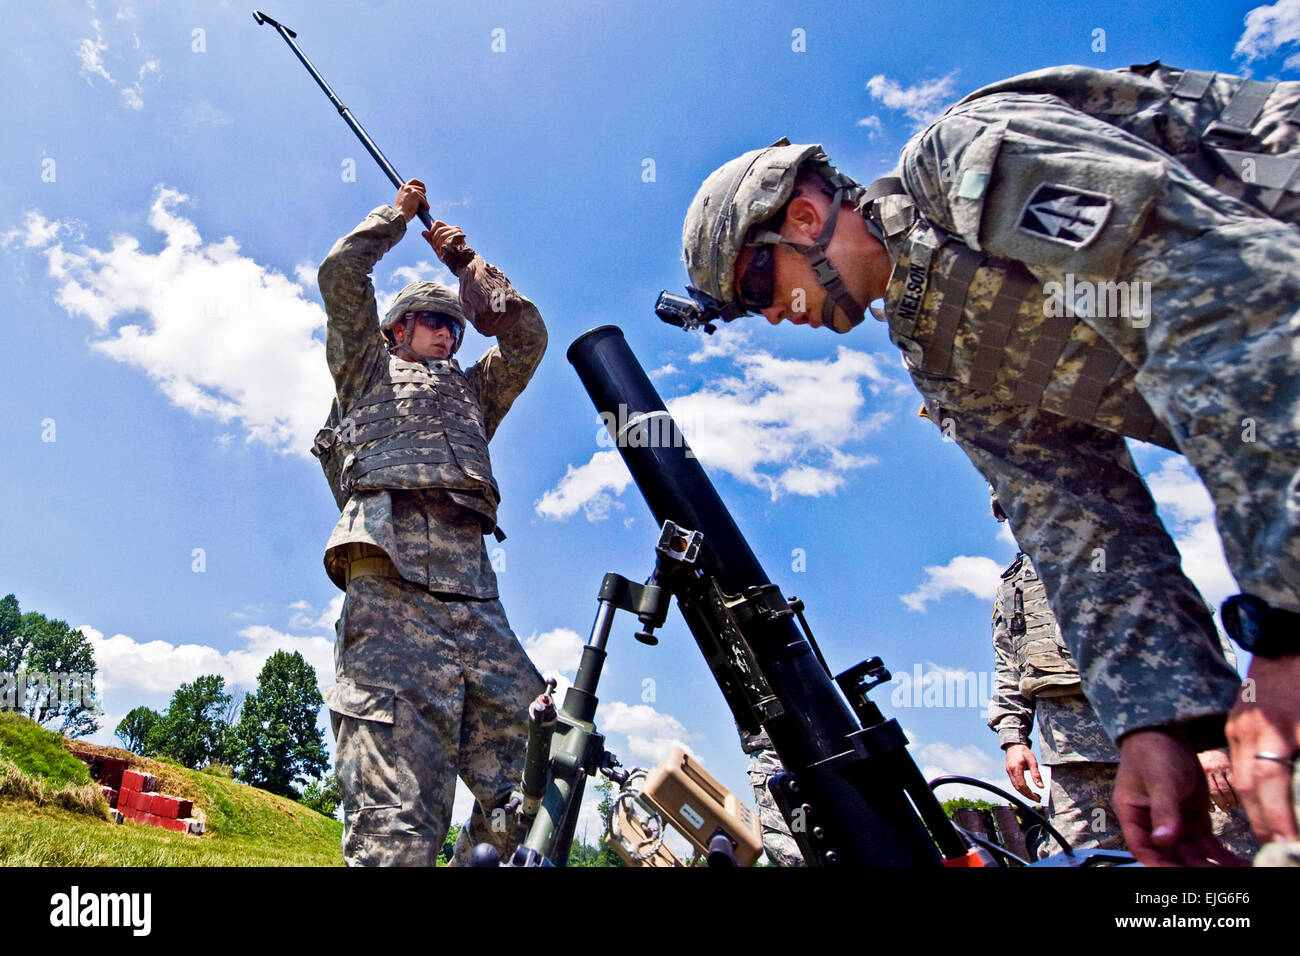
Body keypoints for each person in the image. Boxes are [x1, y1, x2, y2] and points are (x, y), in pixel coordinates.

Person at [677, 62, 1300, 866]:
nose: (769, 314)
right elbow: (1075, 523)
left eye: (757, 282)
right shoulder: (942, 358)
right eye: (744, 311)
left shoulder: (964, 159)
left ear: (803, 216)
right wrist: (1161, 721)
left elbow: (1224, 302)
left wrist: (1283, 630)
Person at [315, 179, 546, 866]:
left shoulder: (474, 393)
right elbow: (340, 273)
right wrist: (398, 216)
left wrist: (466, 264)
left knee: (541, 766)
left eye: (454, 324)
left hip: (474, 592)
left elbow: (527, 338)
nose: (447, 331)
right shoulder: (365, 371)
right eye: (431, 320)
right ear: (395, 329)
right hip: (389, 579)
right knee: (396, 808)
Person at [988, 492, 1257, 861]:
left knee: (1220, 849)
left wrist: (1209, 740)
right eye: (1010, 509)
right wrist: (1013, 738)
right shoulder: (1013, 586)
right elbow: (1010, 666)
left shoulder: (1119, 551)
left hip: (1171, 736)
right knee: (1081, 858)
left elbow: (1196, 641)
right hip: (1075, 757)